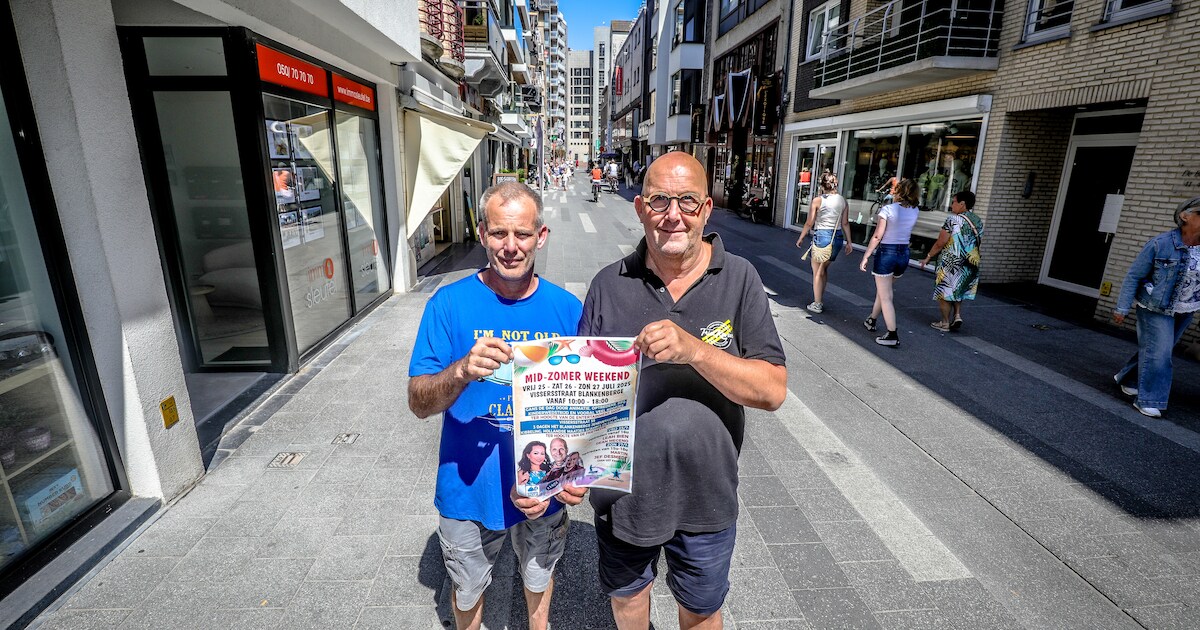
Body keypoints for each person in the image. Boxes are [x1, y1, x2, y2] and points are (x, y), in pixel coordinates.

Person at [576, 152, 787, 629]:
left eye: (687, 202)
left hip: (706, 492)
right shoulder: (609, 284)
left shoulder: (740, 279)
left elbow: (773, 390)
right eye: (659, 201)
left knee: (700, 612)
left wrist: (696, 351)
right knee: (629, 604)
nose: (673, 215)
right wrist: (566, 471)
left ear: (706, 209)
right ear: (639, 207)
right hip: (621, 493)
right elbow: (579, 397)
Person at [407, 182, 587, 630]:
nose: (510, 247)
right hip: (468, 488)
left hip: (542, 483)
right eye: (499, 234)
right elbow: (417, 401)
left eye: (522, 235)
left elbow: (586, 408)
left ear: (541, 236)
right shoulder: (447, 304)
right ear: (482, 232)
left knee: (539, 575)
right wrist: (462, 370)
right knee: (466, 589)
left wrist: (578, 476)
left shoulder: (568, 309)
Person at [1113, 196, 1200, 418]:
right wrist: (1122, 308)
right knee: (1160, 354)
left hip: (1186, 309)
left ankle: (1129, 378)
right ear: (1185, 216)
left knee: (1158, 350)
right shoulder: (1160, 244)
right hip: (1155, 307)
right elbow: (1134, 275)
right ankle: (1149, 400)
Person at [859, 178, 921, 347]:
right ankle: (871, 319)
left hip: (887, 252)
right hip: (903, 254)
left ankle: (892, 334)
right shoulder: (915, 210)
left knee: (886, 296)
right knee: (883, 291)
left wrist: (866, 256)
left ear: (898, 191)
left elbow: (878, 236)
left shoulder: (888, 210)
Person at [921, 191, 983, 332]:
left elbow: (941, 242)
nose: (951, 204)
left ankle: (944, 323)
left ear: (962, 203)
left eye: (954, 201)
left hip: (952, 261)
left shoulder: (952, 220)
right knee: (958, 289)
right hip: (970, 262)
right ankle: (957, 315)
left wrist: (928, 256)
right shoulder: (978, 220)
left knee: (945, 293)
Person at [795, 171, 854, 314]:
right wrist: (849, 242)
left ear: (822, 185)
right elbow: (845, 223)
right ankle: (819, 298)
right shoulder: (843, 201)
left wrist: (801, 237)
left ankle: (817, 303)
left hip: (822, 236)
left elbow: (809, 223)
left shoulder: (818, 200)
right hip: (837, 237)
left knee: (817, 272)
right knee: (824, 269)